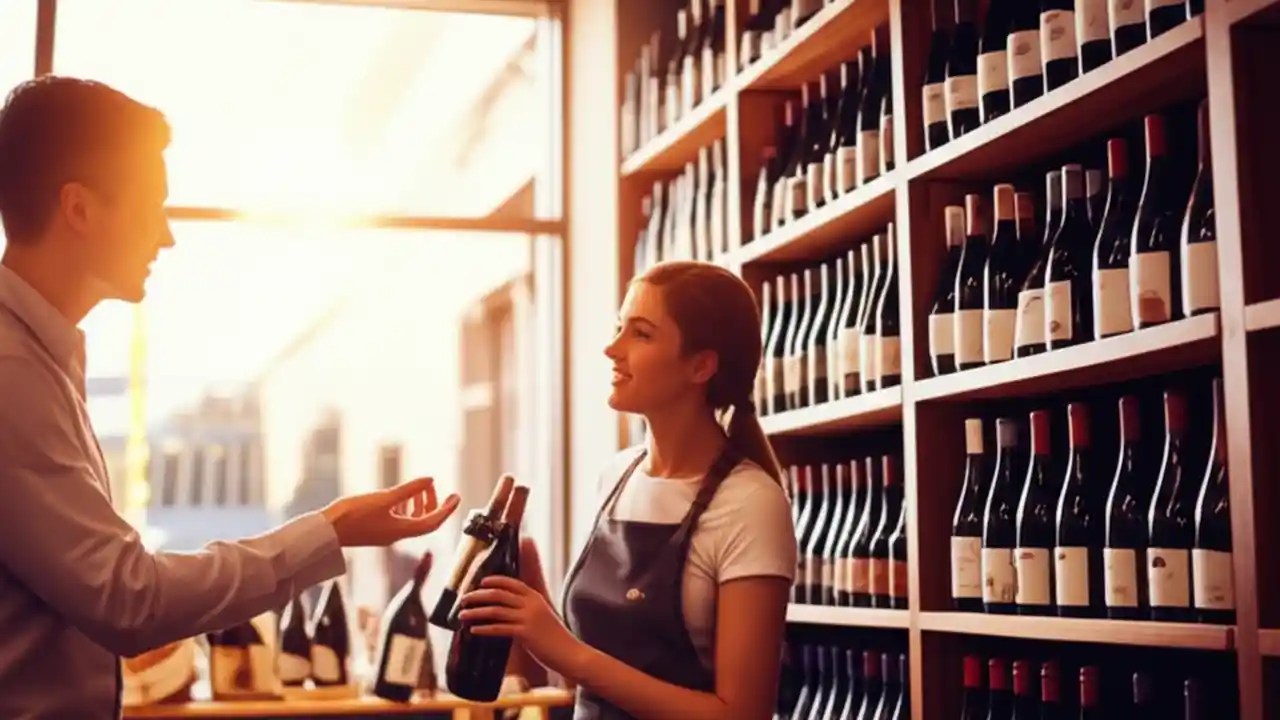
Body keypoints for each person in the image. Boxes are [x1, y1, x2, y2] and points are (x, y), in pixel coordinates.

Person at [0, 76, 460, 718]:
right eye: (151, 205)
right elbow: (128, 598)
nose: (166, 236)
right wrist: (330, 530)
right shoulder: (11, 369)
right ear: (78, 209)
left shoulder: (41, 354)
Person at [460, 260, 796, 719]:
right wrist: (531, 624)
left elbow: (741, 714)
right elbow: (599, 674)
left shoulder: (750, 503)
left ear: (700, 366)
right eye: (619, 328)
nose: (611, 348)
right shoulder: (615, 477)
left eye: (640, 333)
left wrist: (566, 650)